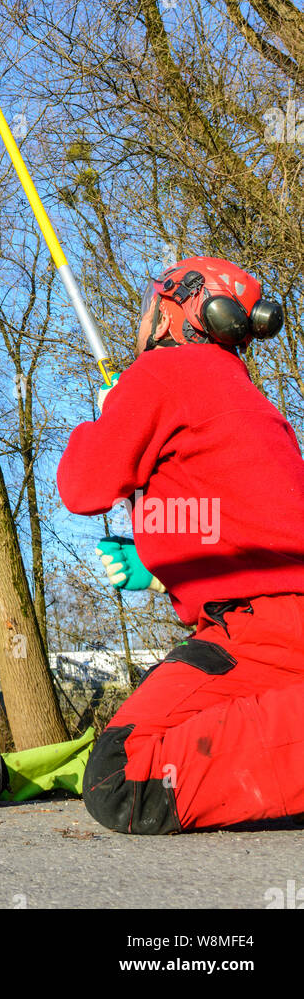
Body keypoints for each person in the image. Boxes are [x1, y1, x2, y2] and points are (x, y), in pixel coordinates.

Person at [56, 256, 304, 833]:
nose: (142, 319)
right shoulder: (253, 404)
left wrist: (106, 416)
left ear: (171, 312)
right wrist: (157, 567)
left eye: (149, 306)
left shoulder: (163, 374)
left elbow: (83, 487)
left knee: (123, 776)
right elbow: (251, 526)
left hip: (256, 636)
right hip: (259, 626)